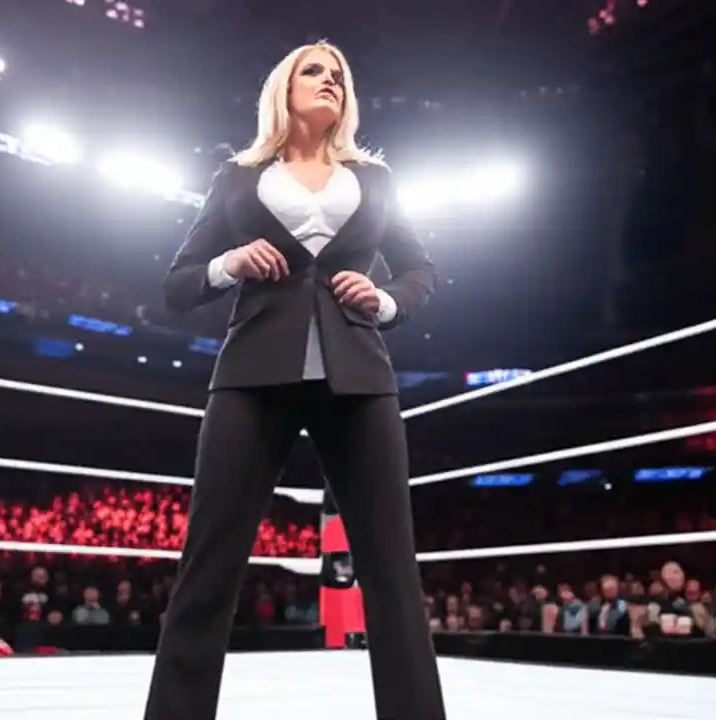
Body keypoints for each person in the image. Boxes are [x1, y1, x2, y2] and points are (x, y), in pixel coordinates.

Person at [144, 41, 444, 720]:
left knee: (393, 574)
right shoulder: (237, 178)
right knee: (208, 566)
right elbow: (176, 286)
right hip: (251, 378)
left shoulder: (376, 180)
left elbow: (420, 270)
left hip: (361, 379)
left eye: (339, 75)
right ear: (284, 88)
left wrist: (386, 298)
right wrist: (229, 262)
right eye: (315, 71)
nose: (330, 81)